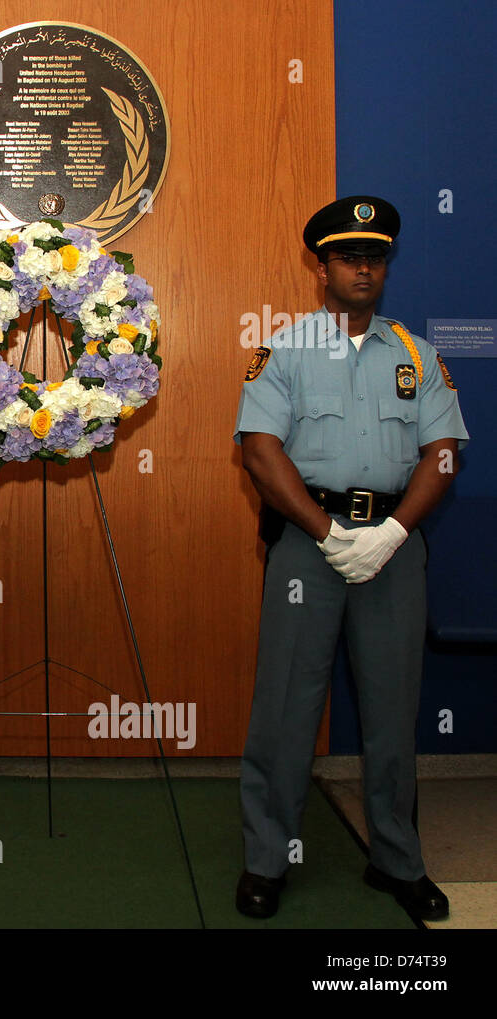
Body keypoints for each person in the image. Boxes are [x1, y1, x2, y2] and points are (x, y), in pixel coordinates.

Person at [233, 196, 468, 921]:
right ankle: (267, 859)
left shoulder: (418, 354)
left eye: (375, 257)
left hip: (395, 548)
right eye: (348, 257)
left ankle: (396, 859)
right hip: (310, 544)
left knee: (394, 710)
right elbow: (260, 451)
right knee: (285, 707)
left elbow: (443, 452)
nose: (363, 268)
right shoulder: (285, 350)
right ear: (322, 267)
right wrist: (329, 533)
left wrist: (393, 532)